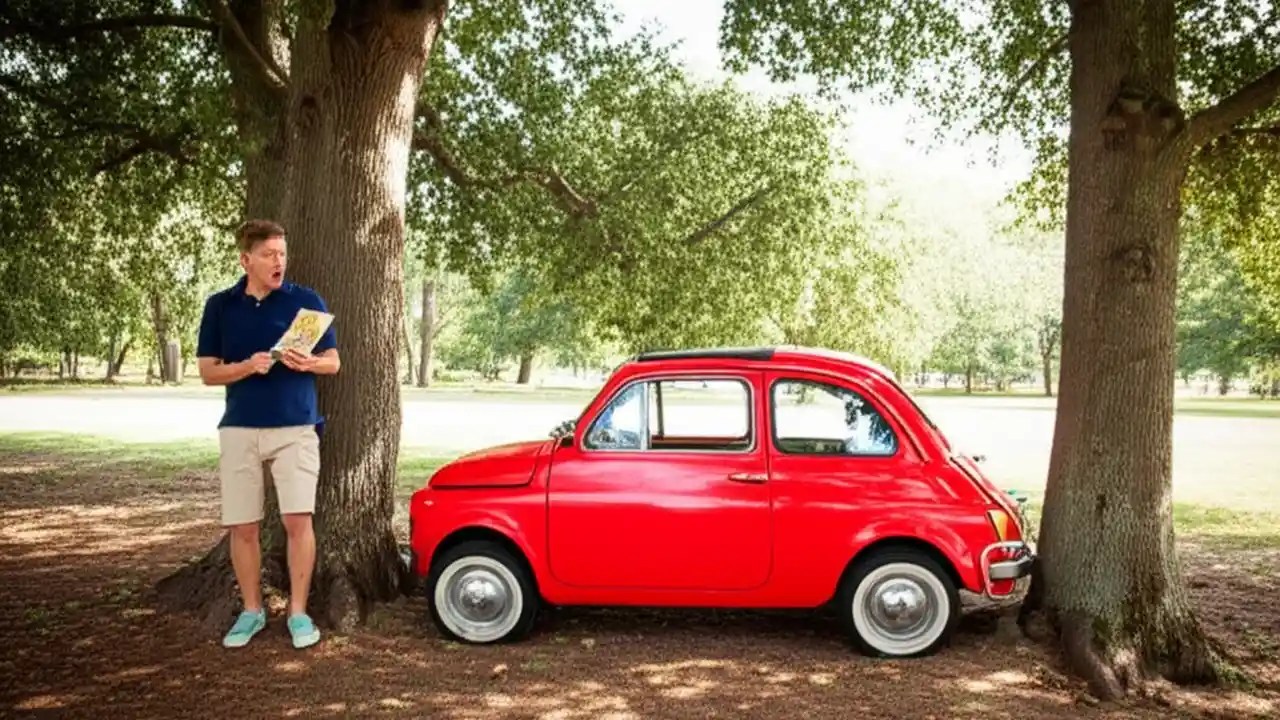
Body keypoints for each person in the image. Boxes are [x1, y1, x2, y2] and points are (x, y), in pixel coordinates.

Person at [195, 219, 340, 650]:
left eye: (282, 253)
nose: (279, 261)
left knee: (298, 520)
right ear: (246, 260)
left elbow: (333, 361)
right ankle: (252, 611)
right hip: (240, 429)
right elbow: (207, 372)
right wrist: (246, 366)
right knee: (243, 526)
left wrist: (307, 363)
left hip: (296, 427)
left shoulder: (306, 302)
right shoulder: (220, 306)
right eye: (269, 254)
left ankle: (298, 614)